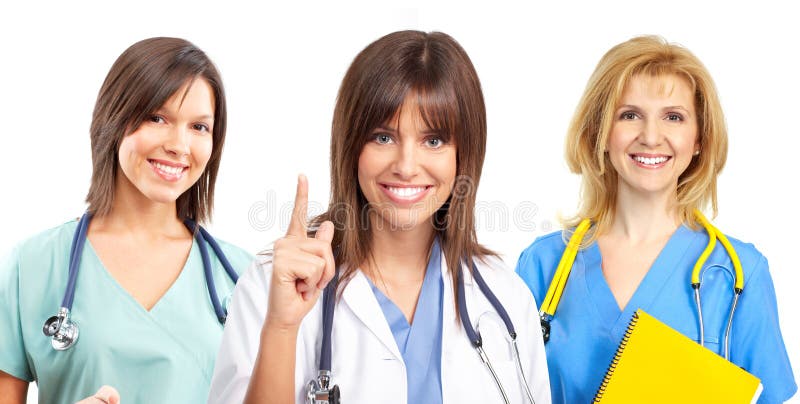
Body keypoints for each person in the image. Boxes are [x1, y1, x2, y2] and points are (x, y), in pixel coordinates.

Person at [209, 30, 551, 404]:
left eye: (433, 140)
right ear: (351, 144)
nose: (406, 166)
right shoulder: (274, 283)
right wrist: (282, 326)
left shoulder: (505, 297)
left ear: (463, 154)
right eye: (383, 137)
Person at [515, 35, 796, 403]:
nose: (650, 136)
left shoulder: (738, 274)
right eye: (629, 115)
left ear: (699, 140)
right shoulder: (544, 265)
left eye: (673, 117)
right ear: (601, 133)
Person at [0, 37, 252, 404]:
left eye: (199, 127)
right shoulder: (33, 266)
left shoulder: (242, 277)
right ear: (114, 118)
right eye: (157, 118)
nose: (179, 145)